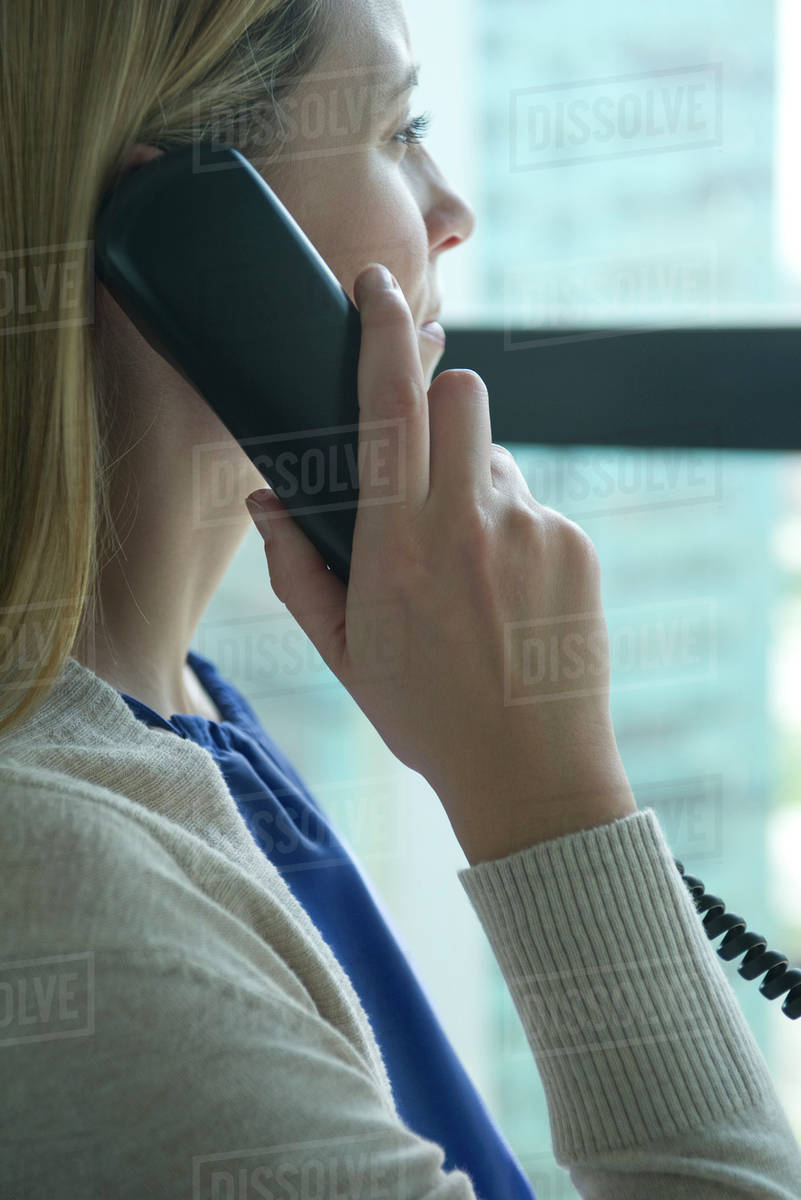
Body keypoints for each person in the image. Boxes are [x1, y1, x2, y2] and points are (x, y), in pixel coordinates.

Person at [1, 0, 800, 1196]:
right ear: (184, 233)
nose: (453, 213)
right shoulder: (60, 881)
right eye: (401, 125)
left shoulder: (177, 723)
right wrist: (553, 801)